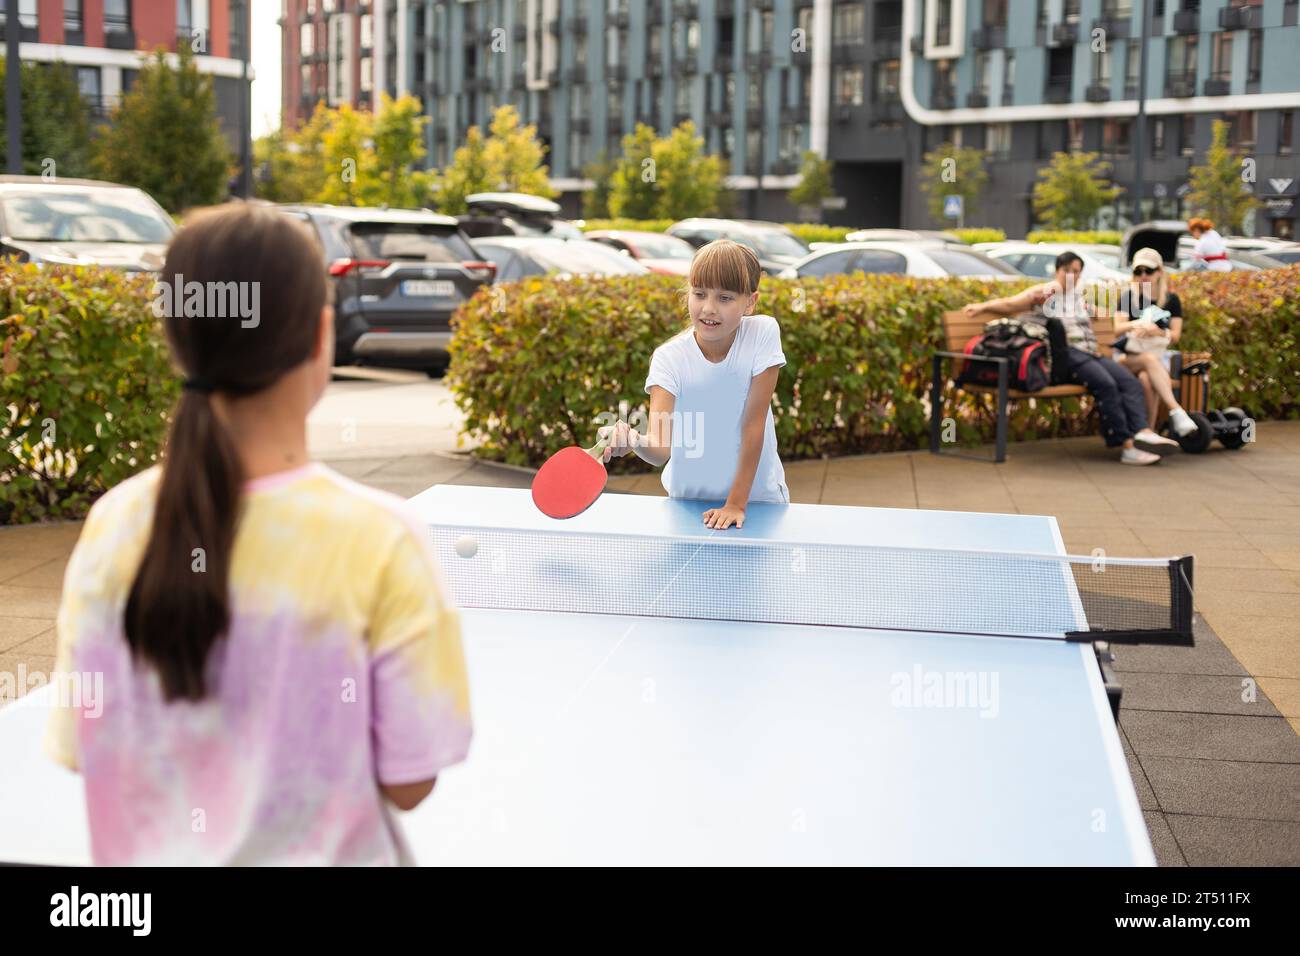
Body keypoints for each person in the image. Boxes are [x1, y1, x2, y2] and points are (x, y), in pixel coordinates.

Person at [45, 203, 471, 865]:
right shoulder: (381, 539)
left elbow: (82, 746)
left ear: (178, 338)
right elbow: (410, 781)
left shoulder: (112, 526)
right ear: (322, 336)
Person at [599, 238, 789, 528]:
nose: (708, 308)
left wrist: (736, 504)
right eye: (699, 294)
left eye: (725, 298)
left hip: (756, 503)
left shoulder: (762, 334)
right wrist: (633, 440)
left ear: (750, 302)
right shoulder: (669, 359)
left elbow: (753, 425)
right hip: (688, 509)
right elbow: (661, 449)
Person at [963, 250, 1180, 465]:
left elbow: (1105, 316)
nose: (1071, 276)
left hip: (1090, 353)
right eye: (1067, 270)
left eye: (1076, 272)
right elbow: (1011, 304)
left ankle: (1143, 432)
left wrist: (1099, 311)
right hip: (1066, 357)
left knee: (1129, 382)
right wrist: (982, 307)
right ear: (1057, 271)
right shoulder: (1045, 292)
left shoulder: (1078, 298)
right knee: (1106, 385)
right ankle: (1127, 447)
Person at [1113, 247, 1199, 437]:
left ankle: (1147, 433)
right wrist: (1139, 324)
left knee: (1146, 378)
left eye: (1148, 271)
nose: (1143, 276)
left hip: (1158, 358)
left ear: (1159, 272)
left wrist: (1157, 331)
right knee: (1149, 361)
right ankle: (1176, 410)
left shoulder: (1171, 300)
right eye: (1138, 271)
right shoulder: (1128, 297)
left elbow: (1175, 335)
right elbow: (1117, 329)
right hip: (1128, 358)